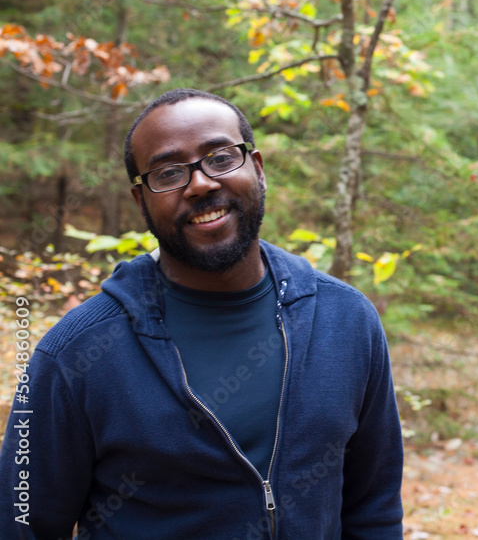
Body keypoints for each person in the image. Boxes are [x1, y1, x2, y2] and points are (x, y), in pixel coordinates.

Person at [0, 88, 404, 539]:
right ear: (140, 201)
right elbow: (21, 525)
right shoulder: (75, 353)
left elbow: (374, 509)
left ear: (258, 168)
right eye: (169, 172)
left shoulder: (347, 321)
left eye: (221, 157)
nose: (201, 184)